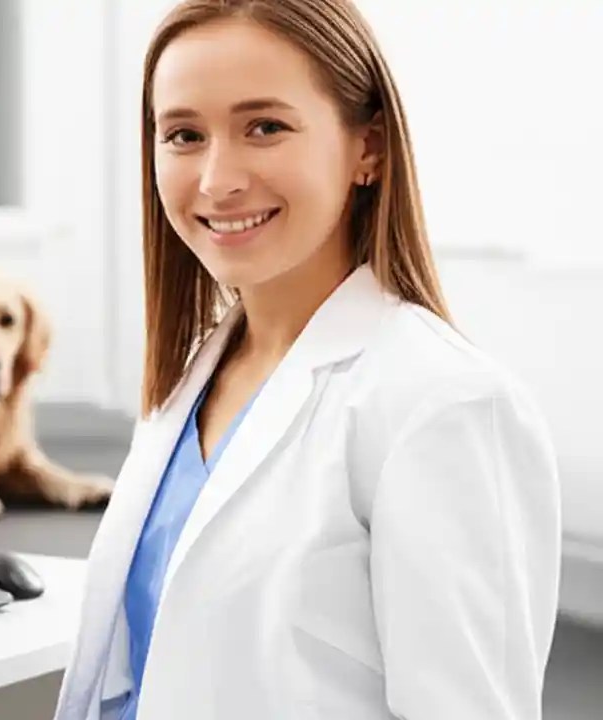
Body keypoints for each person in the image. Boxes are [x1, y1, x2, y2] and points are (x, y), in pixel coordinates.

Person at [53, 1, 562, 718]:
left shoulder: (442, 404)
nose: (216, 179)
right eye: (184, 134)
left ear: (369, 148)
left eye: (265, 127)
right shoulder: (197, 376)